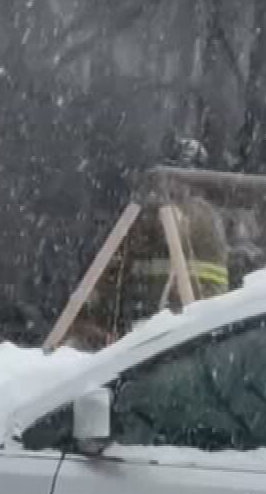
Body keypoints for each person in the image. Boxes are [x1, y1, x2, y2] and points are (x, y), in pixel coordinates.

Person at [68, 137, 232, 349]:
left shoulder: (203, 215)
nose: (175, 186)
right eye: (174, 178)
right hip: (156, 324)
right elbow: (119, 272)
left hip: (189, 325)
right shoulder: (157, 223)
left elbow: (174, 225)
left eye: (180, 178)